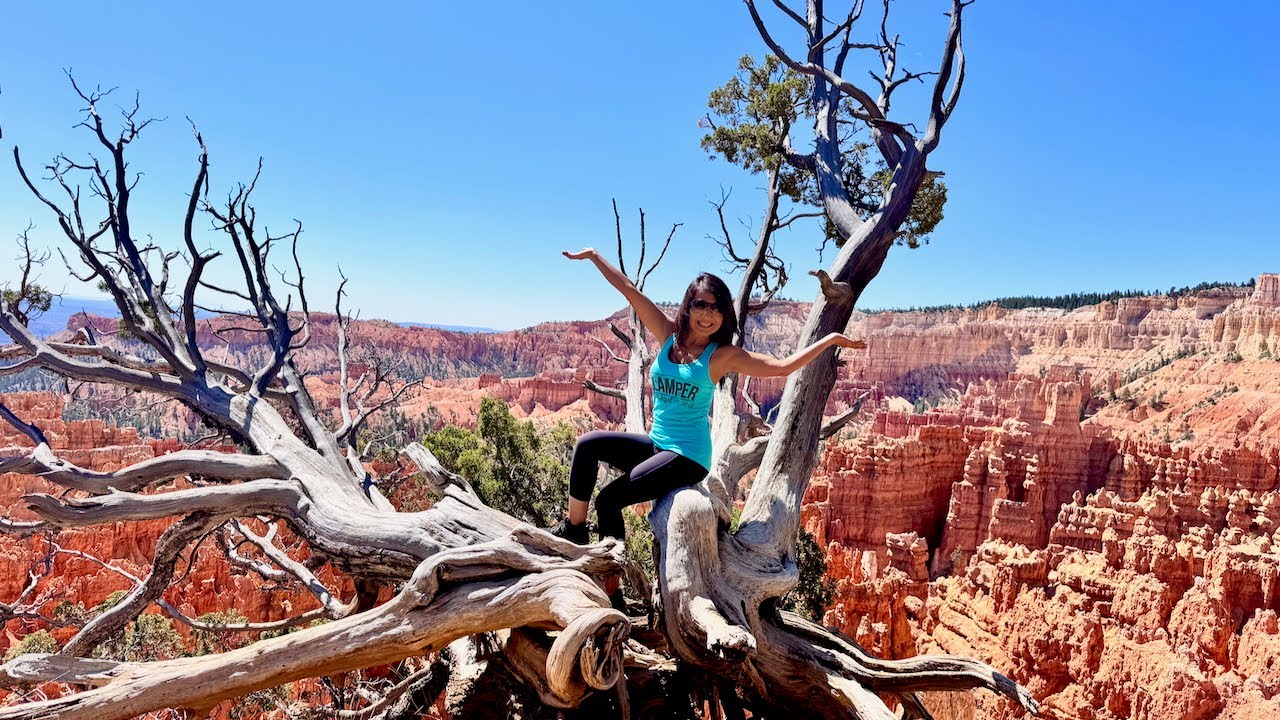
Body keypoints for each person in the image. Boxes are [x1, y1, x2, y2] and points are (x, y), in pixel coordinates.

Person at [549, 248, 866, 550]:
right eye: (702, 304)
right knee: (587, 445)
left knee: (608, 500)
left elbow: (782, 368)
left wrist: (830, 340)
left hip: (687, 458)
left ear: (724, 314)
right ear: (689, 306)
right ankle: (575, 531)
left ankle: (611, 589)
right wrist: (592, 256)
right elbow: (629, 290)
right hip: (658, 444)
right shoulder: (667, 335)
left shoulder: (721, 356)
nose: (708, 314)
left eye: (717, 308)